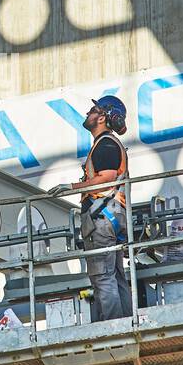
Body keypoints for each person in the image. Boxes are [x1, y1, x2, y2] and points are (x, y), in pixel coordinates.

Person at [49, 95, 133, 323]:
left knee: (102, 278)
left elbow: (106, 177)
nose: (88, 113)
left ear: (103, 117)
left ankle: (116, 327)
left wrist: (72, 187)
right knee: (115, 276)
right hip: (110, 216)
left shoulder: (105, 145)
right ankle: (126, 322)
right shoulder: (106, 143)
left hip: (102, 219)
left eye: (93, 110)